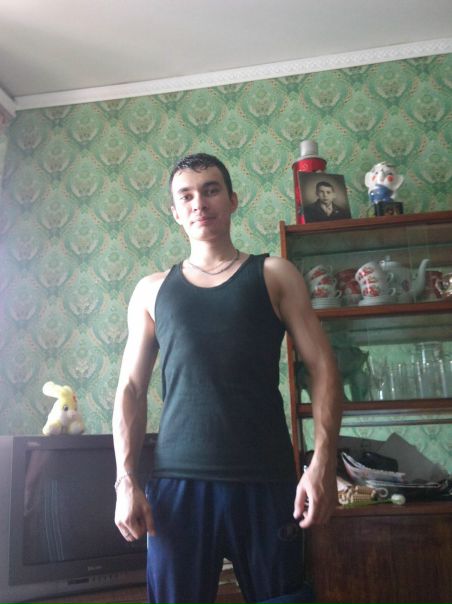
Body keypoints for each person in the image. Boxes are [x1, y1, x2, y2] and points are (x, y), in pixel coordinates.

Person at [112, 153, 343, 604]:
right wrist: (125, 481)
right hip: (177, 487)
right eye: (186, 196)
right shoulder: (151, 291)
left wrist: (323, 463)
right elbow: (130, 390)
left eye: (211, 190)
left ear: (232, 200)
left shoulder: (275, 275)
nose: (199, 203)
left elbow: (323, 369)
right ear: (175, 212)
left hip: (266, 480)